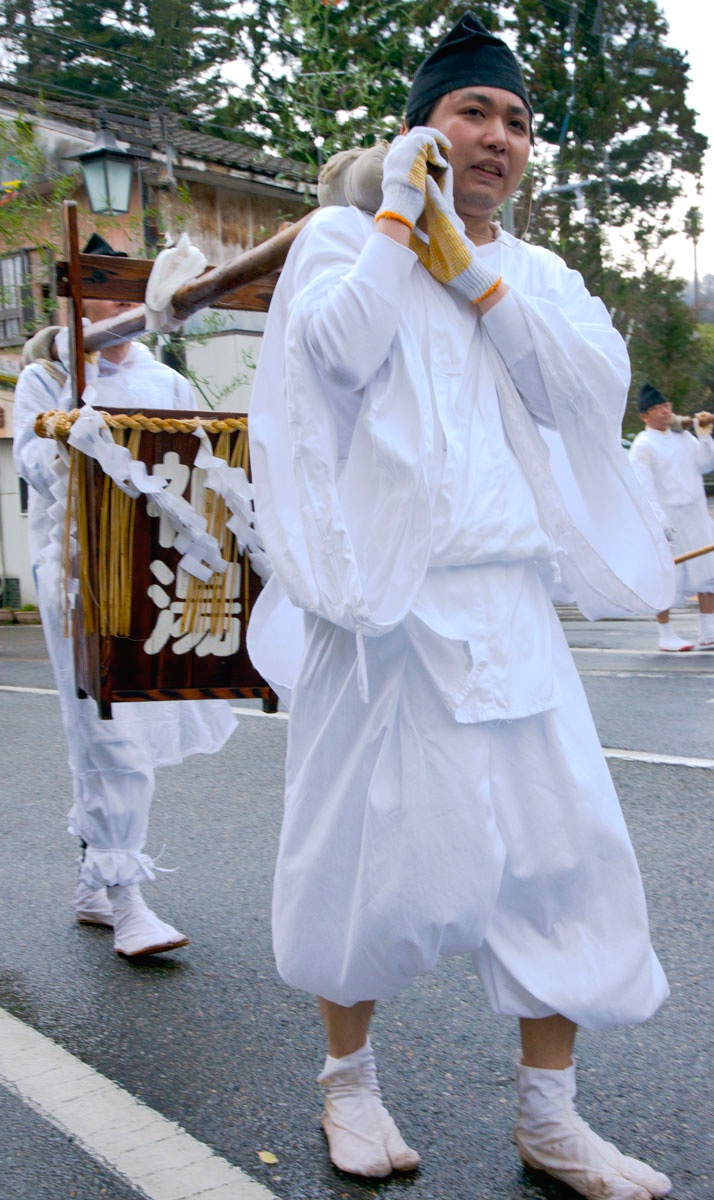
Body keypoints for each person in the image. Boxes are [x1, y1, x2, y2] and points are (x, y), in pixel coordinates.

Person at [248, 12, 675, 1200]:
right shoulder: (343, 238)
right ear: (421, 133)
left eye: (517, 121)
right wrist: (398, 225)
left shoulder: (537, 273)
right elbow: (329, 360)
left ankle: (551, 1116)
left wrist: (473, 272)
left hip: (509, 616)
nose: (497, 136)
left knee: (565, 858)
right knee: (358, 857)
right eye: (472, 111)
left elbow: (583, 393)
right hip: (379, 615)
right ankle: (349, 1084)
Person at [13, 233, 237, 958]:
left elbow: (194, 462)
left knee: (129, 727)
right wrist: (79, 425)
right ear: (70, 297)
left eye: (120, 287)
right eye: (95, 287)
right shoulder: (48, 374)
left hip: (150, 568)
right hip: (78, 570)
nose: (110, 301)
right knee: (106, 731)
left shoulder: (163, 376)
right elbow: (37, 465)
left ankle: (93, 882)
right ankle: (125, 897)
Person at [629, 381, 714, 652]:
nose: (665, 412)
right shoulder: (643, 445)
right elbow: (643, 487)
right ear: (644, 415)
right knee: (667, 576)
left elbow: (705, 465)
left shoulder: (682, 437)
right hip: (668, 519)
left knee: (708, 573)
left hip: (695, 514)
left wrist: (704, 436)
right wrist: (659, 521)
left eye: (667, 406)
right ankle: (666, 635)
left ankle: (709, 632)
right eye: (657, 408)